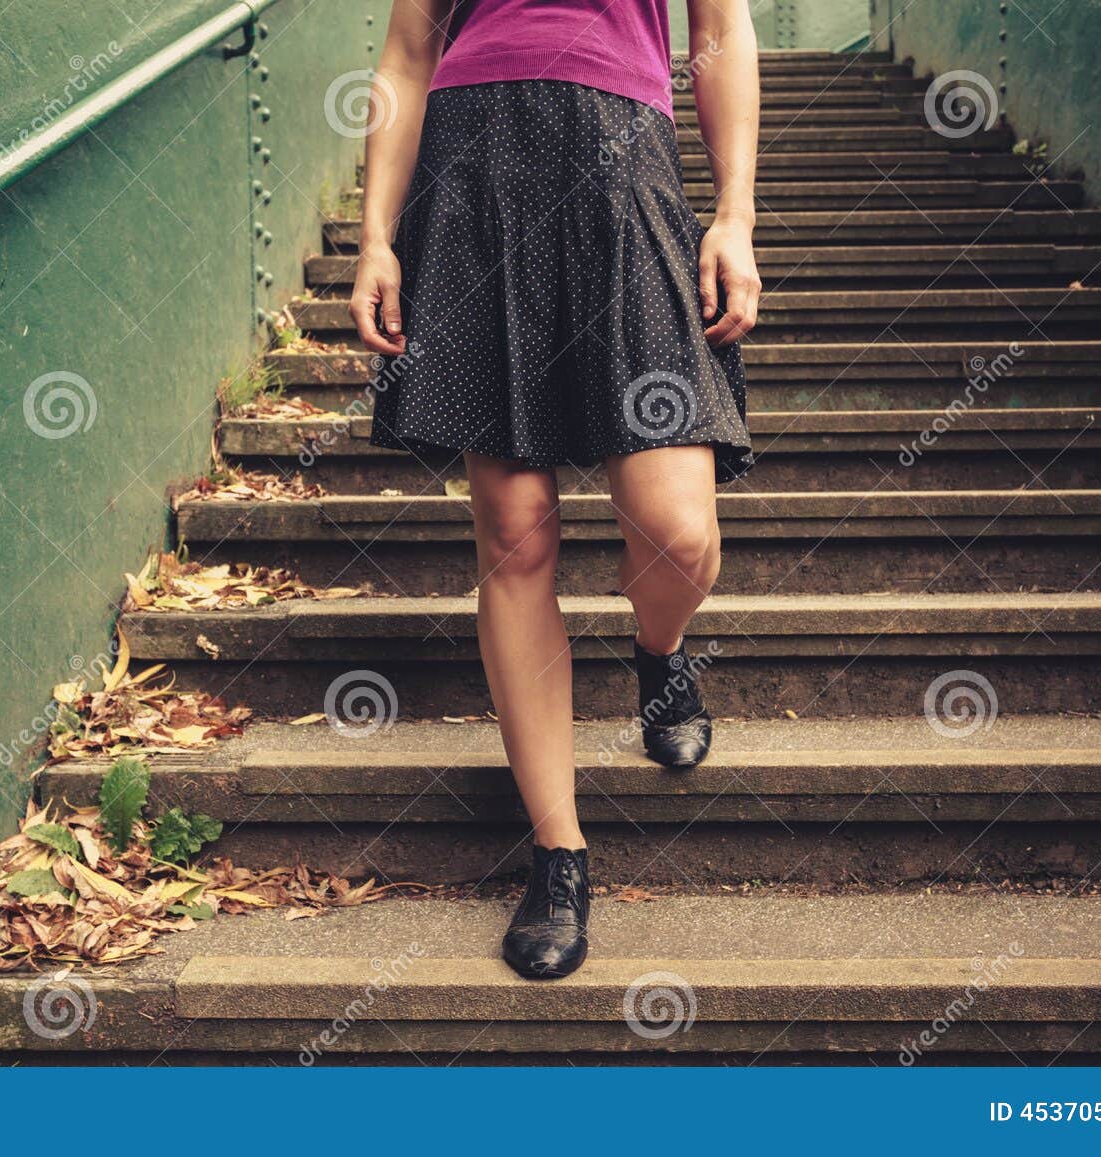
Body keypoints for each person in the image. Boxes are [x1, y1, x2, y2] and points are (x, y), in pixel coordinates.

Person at [349, 0, 759, 980]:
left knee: (678, 531)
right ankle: (558, 852)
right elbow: (407, 52)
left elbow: (720, 30)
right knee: (517, 531)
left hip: (628, 164)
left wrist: (734, 213)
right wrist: (375, 236)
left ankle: (657, 649)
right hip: (473, 171)